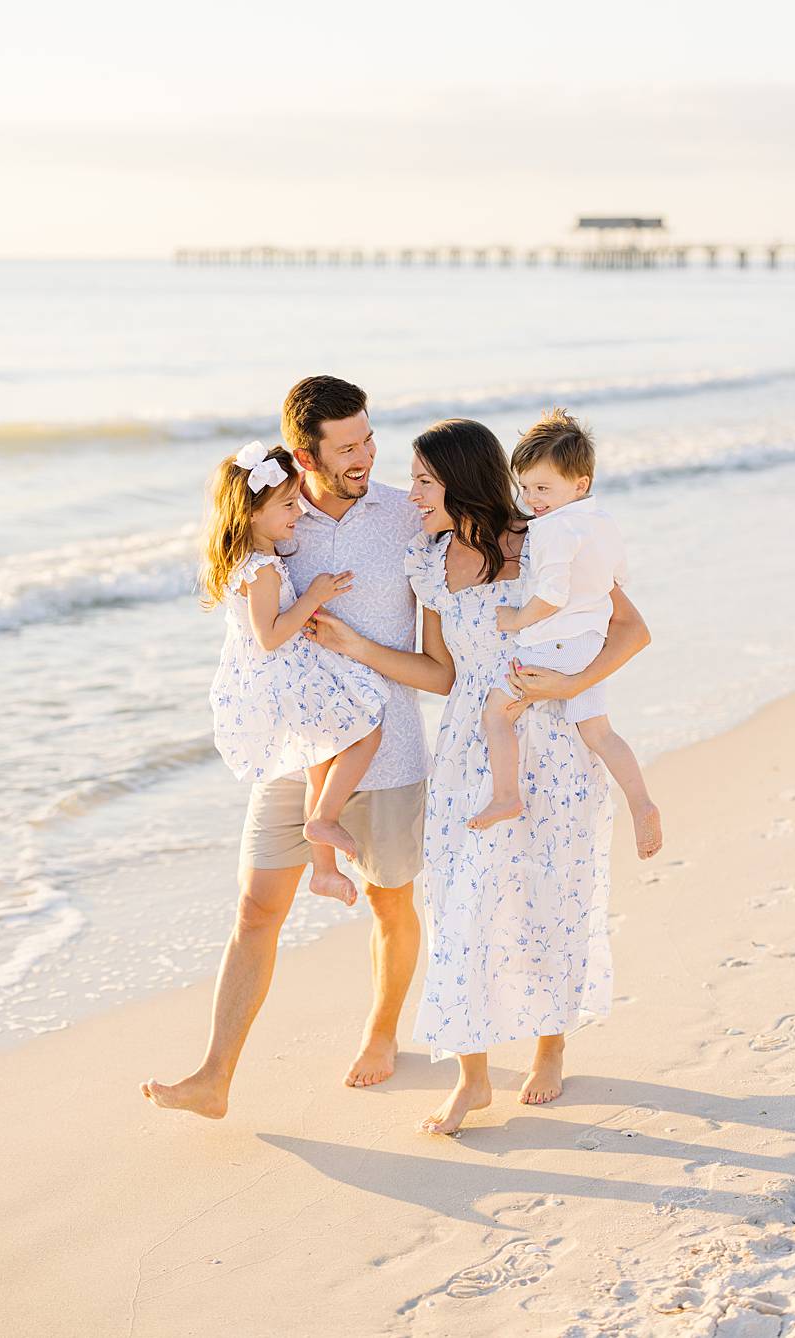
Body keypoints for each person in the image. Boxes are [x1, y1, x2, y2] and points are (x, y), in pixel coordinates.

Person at [309, 418, 648, 1132]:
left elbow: (631, 631)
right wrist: (355, 644)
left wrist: (567, 685)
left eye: (425, 481)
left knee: (544, 898)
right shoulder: (429, 564)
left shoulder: (542, 541)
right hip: (468, 749)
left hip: (552, 745)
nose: (414, 496)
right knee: (461, 908)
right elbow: (440, 673)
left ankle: (549, 1047)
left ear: (460, 481)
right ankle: (471, 1076)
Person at [142, 376, 432, 1114]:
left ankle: (381, 1031)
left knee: (389, 903)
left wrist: (358, 647)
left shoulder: (407, 517)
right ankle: (214, 1078)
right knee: (255, 909)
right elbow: (247, 610)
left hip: (385, 746)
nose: (367, 454)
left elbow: (443, 667)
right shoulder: (275, 519)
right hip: (294, 749)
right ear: (304, 455)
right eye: (348, 446)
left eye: (369, 438)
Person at [468, 408, 663, 860]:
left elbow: (552, 596)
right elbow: (620, 574)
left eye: (542, 488)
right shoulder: (602, 521)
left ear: (581, 483)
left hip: (552, 643)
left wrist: (517, 619)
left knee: (497, 715)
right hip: (589, 644)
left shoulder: (554, 528)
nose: (531, 499)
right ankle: (641, 802)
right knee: (600, 733)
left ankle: (505, 794)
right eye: (525, 487)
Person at [203, 441, 386, 907]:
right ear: (252, 513)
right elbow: (267, 636)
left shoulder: (254, 560)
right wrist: (314, 596)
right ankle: (324, 819)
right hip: (287, 677)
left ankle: (323, 869)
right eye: (286, 504)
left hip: (280, 678)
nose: (297, 512)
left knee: (319, 765)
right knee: (367, 724)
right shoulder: (261, 567)